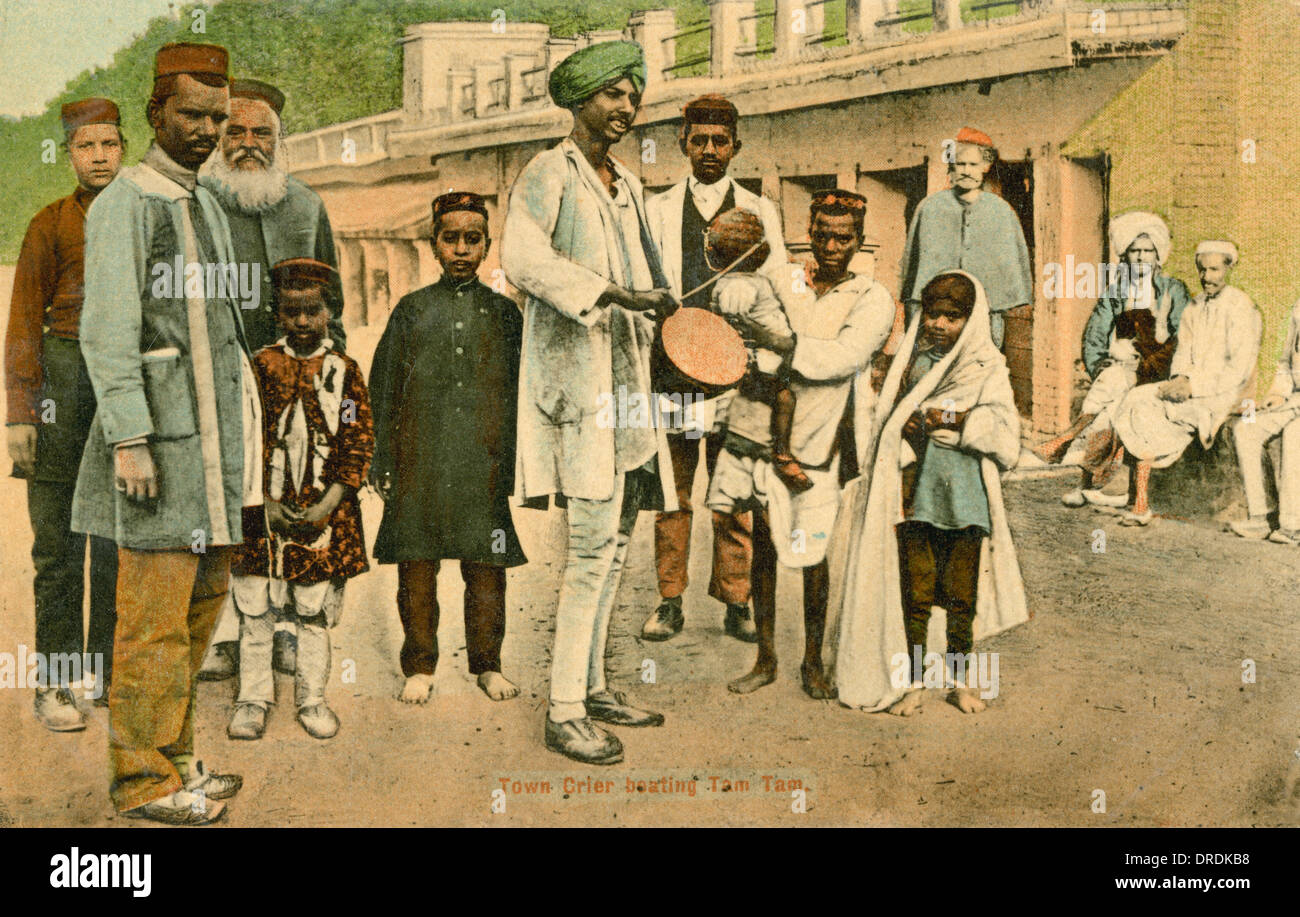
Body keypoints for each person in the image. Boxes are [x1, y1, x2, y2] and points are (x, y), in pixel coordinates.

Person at [71, 42, 247, 825]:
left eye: (218, 116)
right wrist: (129, 439)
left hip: (213, 453)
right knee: (149, 623)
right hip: (157, 455)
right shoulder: (125, 204)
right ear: (154, 115)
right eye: (191, 114)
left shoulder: (205, 200)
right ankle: (141, 781)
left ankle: (175, 759)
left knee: (198, 614)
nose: (207, 129)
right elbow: (108, 332)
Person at [501, 39, 677, 765]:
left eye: (633, 94)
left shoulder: (626, 184)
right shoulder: (548, 173)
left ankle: (595, 683)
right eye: (612, 94)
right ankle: (563, 710)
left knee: (615, 548)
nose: (626, 107)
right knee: (588, 550)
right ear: (578, 103)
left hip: (628, 387)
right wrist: (612, 293)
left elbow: (649, 278)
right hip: (578, 390)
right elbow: (521, 258)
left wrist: (662, 306)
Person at [709, 189, 895, 698]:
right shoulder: (785, 277)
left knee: (812, 550)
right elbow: (745, 320)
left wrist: (783, 345)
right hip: (766, 427)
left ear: (859, 241)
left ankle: (813, 662)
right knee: (763, 546)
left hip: (823, 433)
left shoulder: (872, 298)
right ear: (809, 233)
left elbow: (842, 358)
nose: (831, 245)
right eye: (822, 235)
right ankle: (766, 657)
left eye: (843, 237)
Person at [826, 271, 1027, 715]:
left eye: (951, 317)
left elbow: (1006, 434)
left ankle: (960, 681)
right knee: (915, 597)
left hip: (966, 500)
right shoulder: (913, 365)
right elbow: (889, 422)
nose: (938, 324)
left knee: (961, 598)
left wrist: (956, 420)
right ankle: (914, 682)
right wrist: (911, 424)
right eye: (932, 313)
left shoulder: (985, 365)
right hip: (915, 497)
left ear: (971, 320)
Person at [198, 77, 345, 682]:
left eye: (262, 133)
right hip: (224, 383)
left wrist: (337, 388)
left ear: (279, 140)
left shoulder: (306, 204)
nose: (248, 144)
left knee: (299, 498)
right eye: (236, 132)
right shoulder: (197, 204)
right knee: (229, 506)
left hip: (297, 386)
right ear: (218, 138)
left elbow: (335, 300)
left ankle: (288, 627)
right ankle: (227, 633)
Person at [368, 192, 526, 706]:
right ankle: (419, 665)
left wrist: (516, 463)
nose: (461, 249)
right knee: (416, 567)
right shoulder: (412, 310)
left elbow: (521, 392)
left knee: (487, 567)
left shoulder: (505, 314)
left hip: (481, 465)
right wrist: (381, 460)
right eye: (450, 238)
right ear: (434, 244)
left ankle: (488, 663)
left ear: (487, 246)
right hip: (420, 465)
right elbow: (383, 387)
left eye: (473, 239)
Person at [640, 93, 784, 644]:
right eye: (697, 140)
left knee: (734, 491)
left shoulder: (759, 211)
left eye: (719, 141)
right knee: (672, 494)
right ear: (682, 142)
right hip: (675, 372)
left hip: (738, 374)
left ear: (735, 147)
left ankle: (737, 599)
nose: (708, 150)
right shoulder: (657, 210)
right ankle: (669, 599)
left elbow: (774, 293)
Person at [5, 98, 124, 730]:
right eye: (87, 147)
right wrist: (21, 414)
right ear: (69, 154)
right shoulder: (48, 224)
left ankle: (104, 675)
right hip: (60, 384)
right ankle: (53, 685)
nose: (100, 156)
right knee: (57, 547)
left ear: (124, 148)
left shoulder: (144, 217)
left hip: (122, 387)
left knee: (114, 543)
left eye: (110, 144)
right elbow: (23, 324)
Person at [226, 259, 373, 741]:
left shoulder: (345, 374)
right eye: (292, 313)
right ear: (277, 315)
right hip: (263, 511)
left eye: (313, 311)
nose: (303, 323)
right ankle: (252, 699)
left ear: (331, 312)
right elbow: (245, 437)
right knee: (255, 609)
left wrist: (329, 504)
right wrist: (263, 501)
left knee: (311, 613)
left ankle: (312, 699)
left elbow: (356, 441)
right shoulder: (261, 367)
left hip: (321, 514)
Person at [1037, 212, 1191, 508]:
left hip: (1159, 372)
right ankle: (1086, 483)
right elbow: (1095, 334)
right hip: (1124, 373)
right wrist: (1099, 365)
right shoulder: (1117, 292)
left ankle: (1068, 441)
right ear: (1126, 256)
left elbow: (1181, 338)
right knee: (1107, 407)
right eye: (1135, 251)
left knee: (1115, 399)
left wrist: (1152, 365)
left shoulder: (1174, 290)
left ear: (1158, 256)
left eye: (1148, 251)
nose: (1142, 258)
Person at [1111, 241, 1262, 526]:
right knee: (1138, 399)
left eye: (1215, 269)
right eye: (1202, 270)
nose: (1207, 277)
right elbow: (1183, 351)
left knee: (1158, 413)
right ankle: (1138, 499)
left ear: (1228, 268)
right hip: (1191, 386)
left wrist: (1194, 387)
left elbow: (1238, 369)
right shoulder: (1194, 306)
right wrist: (1180, 378)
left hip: (1226, 393)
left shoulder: (1242, 307)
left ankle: (1140, 501)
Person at [899, 127, 1032, 349]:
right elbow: (913, 269)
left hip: (986, 313)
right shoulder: (929, 208)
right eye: (960, 164)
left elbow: (1012, 272)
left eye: (973, 165)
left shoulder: (1001, 212)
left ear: (986, 167)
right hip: (935, 316)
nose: (966, 171)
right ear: (951, 167)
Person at [1229, 297, 1300, 543]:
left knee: (1295, 434)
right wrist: (1278, 392)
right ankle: (1262, 516)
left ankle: (1292, 527)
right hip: (1293, 400)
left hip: (1296, 408)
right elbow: (1285, 362)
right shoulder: (1298, 306)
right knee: (1246, 428)